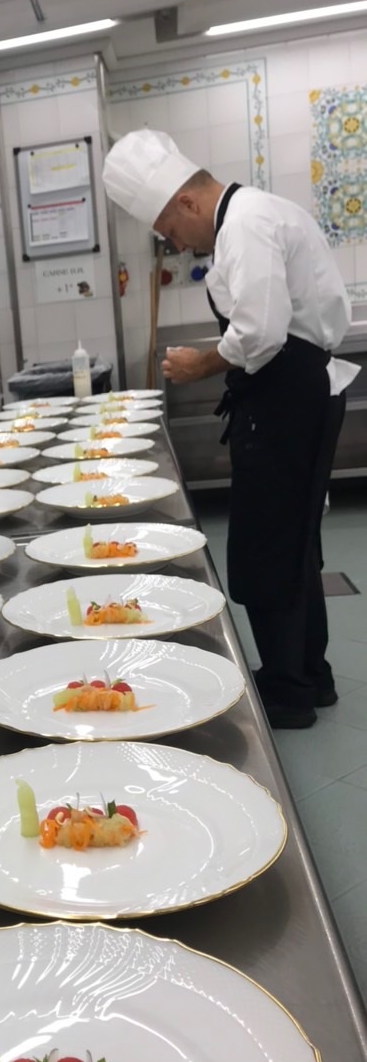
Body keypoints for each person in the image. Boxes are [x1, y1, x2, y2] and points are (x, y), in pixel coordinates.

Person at [103, 129, 358, 729]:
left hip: (287, 402)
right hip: (293, 397)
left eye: (170, 230)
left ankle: (288, 693)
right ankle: (309, 677)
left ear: (188, 203)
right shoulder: (257, 212)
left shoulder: (243, 223)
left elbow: (260, 335)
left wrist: (202, 363)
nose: (175, 242)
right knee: (296, 548)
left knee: (269, 552)